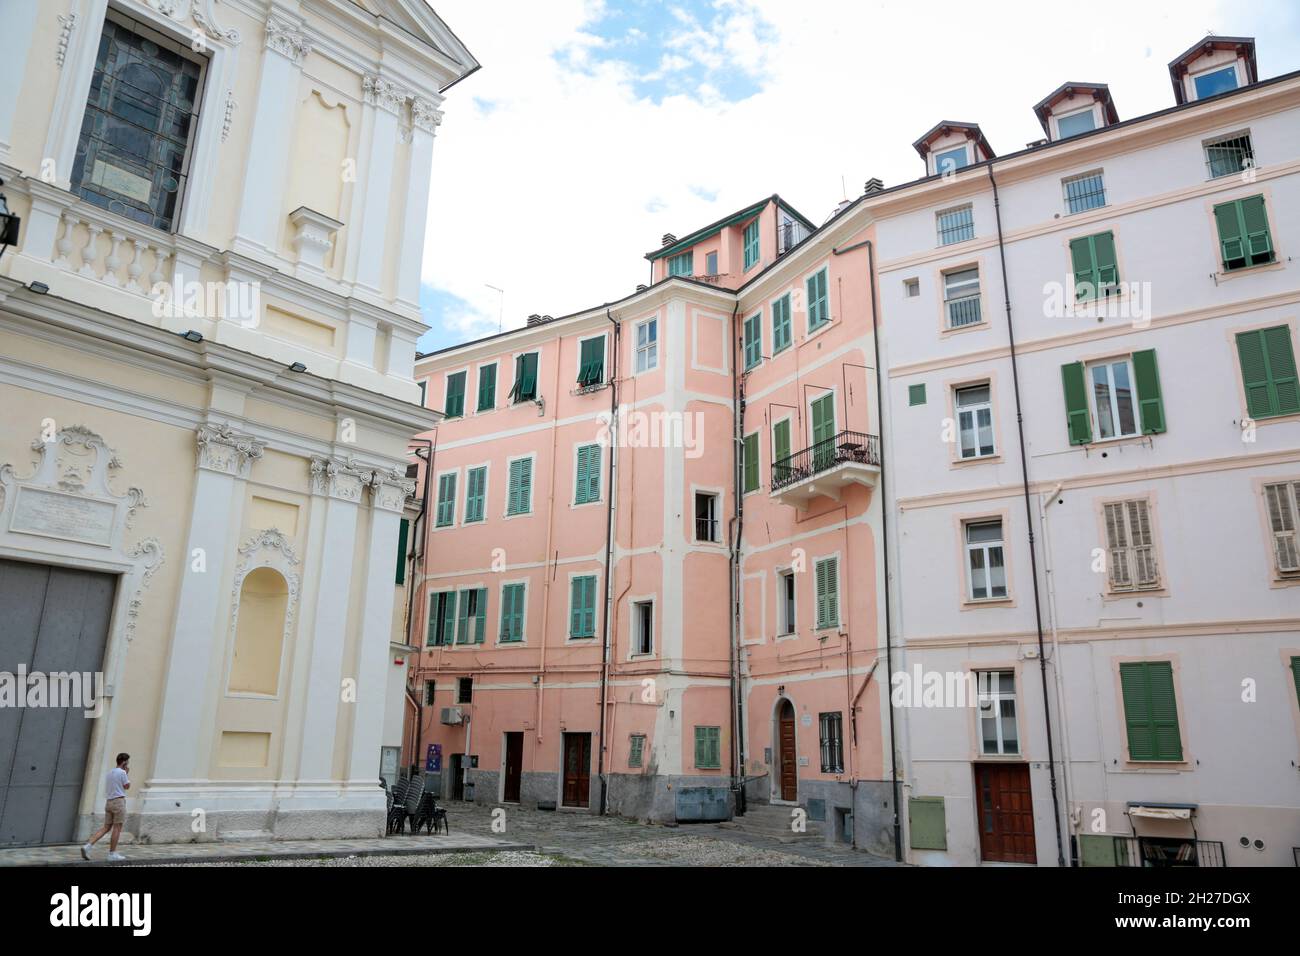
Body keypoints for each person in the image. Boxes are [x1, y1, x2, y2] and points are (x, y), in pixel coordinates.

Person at [81, 753, 130, 862]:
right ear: (124, 762)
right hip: (118, 801)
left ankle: (88, 846)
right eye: (127, 762)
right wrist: (127, 774)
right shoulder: (122, 772)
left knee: (106, 827)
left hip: (109, 802)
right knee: (117, 828)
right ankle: (112, 853)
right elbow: (127, 786)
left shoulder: (110, 772)